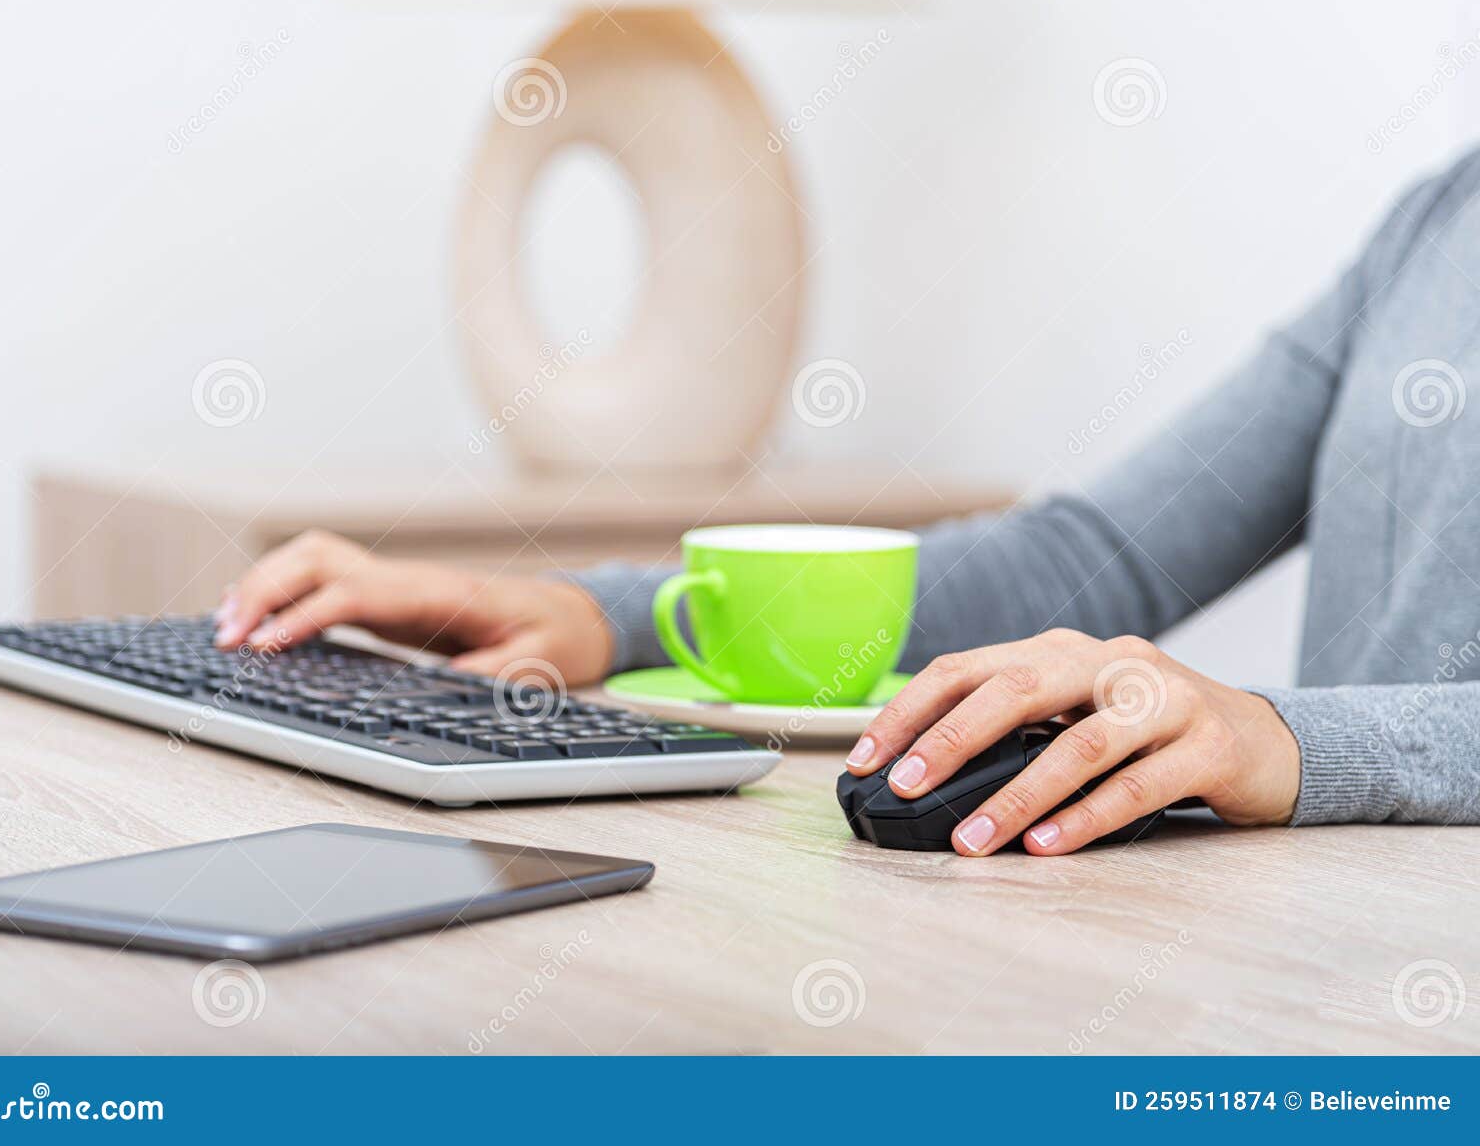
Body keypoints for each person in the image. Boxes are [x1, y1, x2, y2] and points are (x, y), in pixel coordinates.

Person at [215, 150, 1480, 856]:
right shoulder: (1439, 220)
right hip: (1321, 950)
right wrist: (602, 615)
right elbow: (1089, 564)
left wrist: (1291, 740)